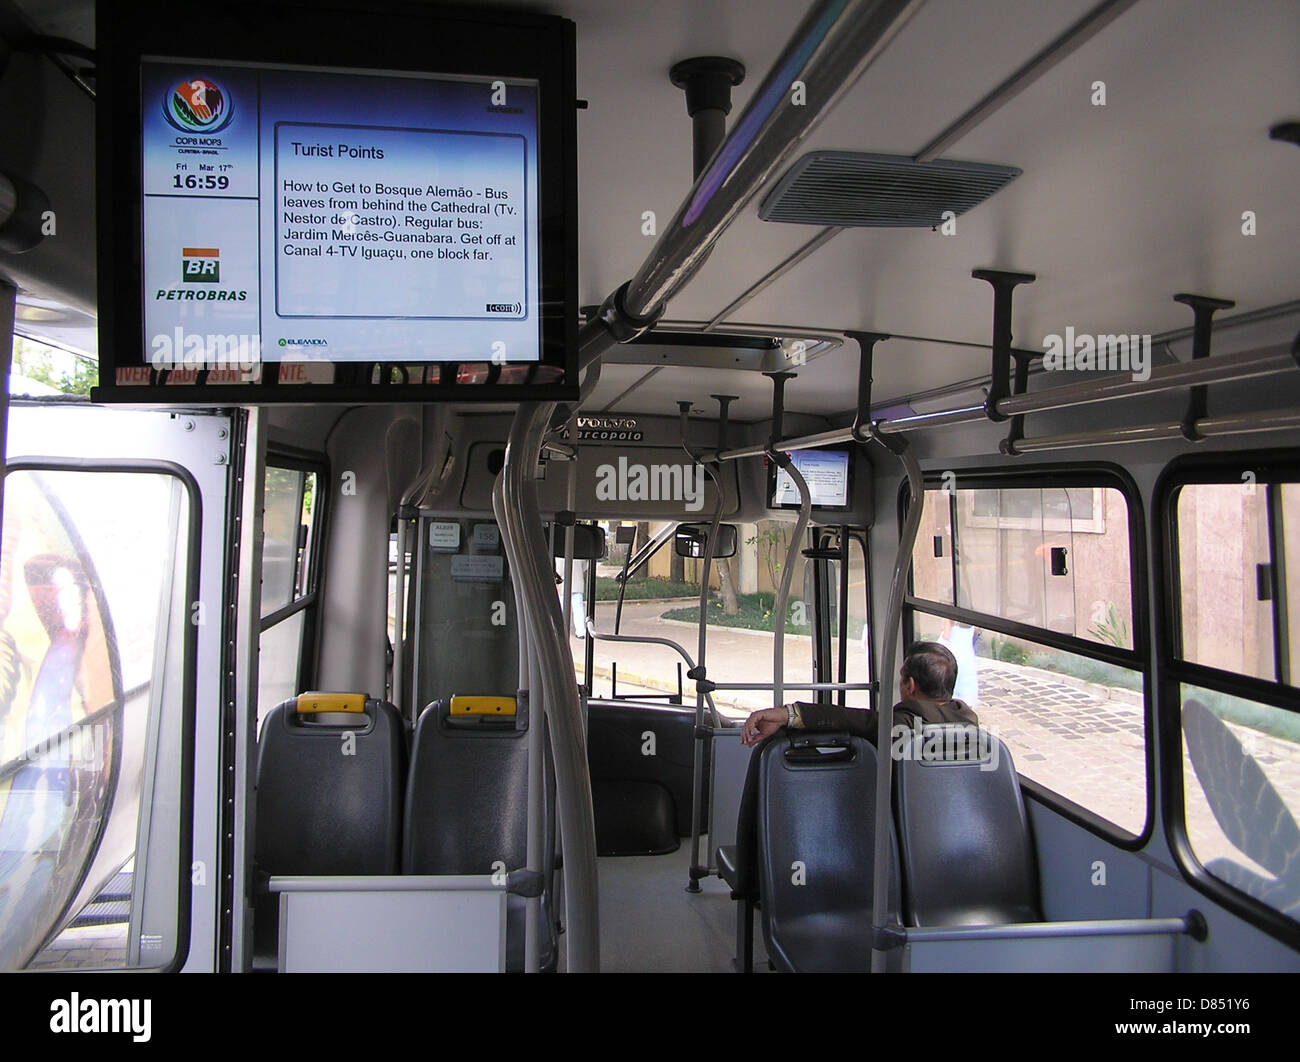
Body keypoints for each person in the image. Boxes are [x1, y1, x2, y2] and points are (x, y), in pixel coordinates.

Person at [740, 641, 977, 747]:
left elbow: (845, 718)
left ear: (910, 686)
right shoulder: (972, 727)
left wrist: (785, 715)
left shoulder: (901, 727)